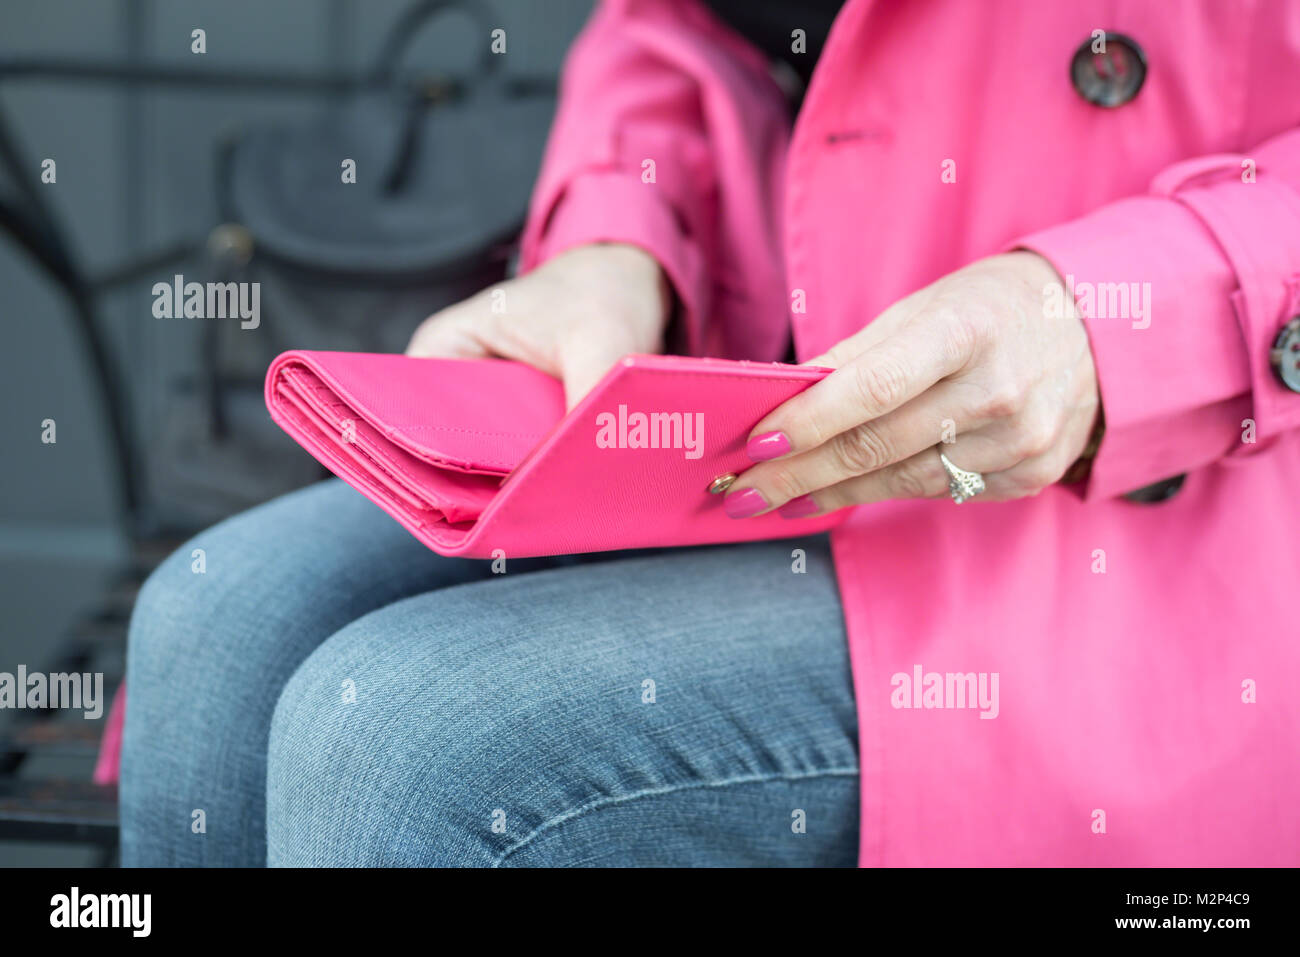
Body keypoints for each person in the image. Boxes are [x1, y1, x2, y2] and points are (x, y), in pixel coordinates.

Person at [120, 0, 1300, 866]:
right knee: (219, 618)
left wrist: (1137, 317)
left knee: (397, 737)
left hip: (1170, 508)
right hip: (757, 404)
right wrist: (618, 232)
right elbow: (683, 29)